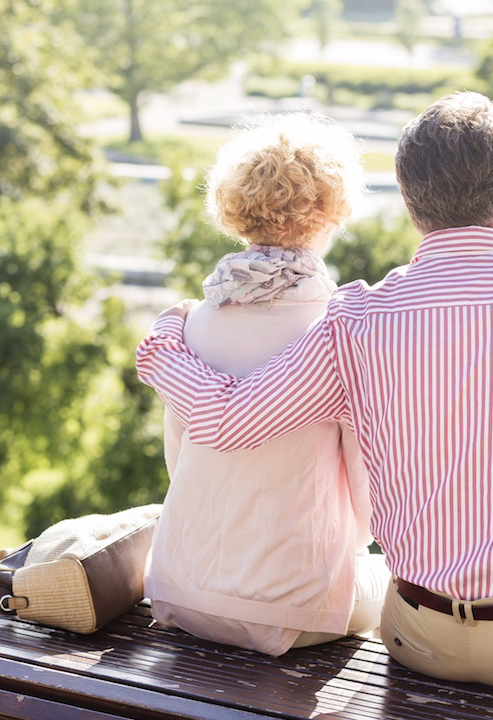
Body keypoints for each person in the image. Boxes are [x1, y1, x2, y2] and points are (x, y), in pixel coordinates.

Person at [135, 91, 493, 700]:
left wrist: (161, 346)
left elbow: (228, 419)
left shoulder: (357, 318)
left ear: (409, 203)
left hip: (417, 638)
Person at [146, 112, 389, 657]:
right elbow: (367, 492)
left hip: (179, 590)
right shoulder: (339, 330)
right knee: (397, 585)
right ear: (329, 209)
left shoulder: (189, 322)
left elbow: (179, 459)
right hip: (294, 606)